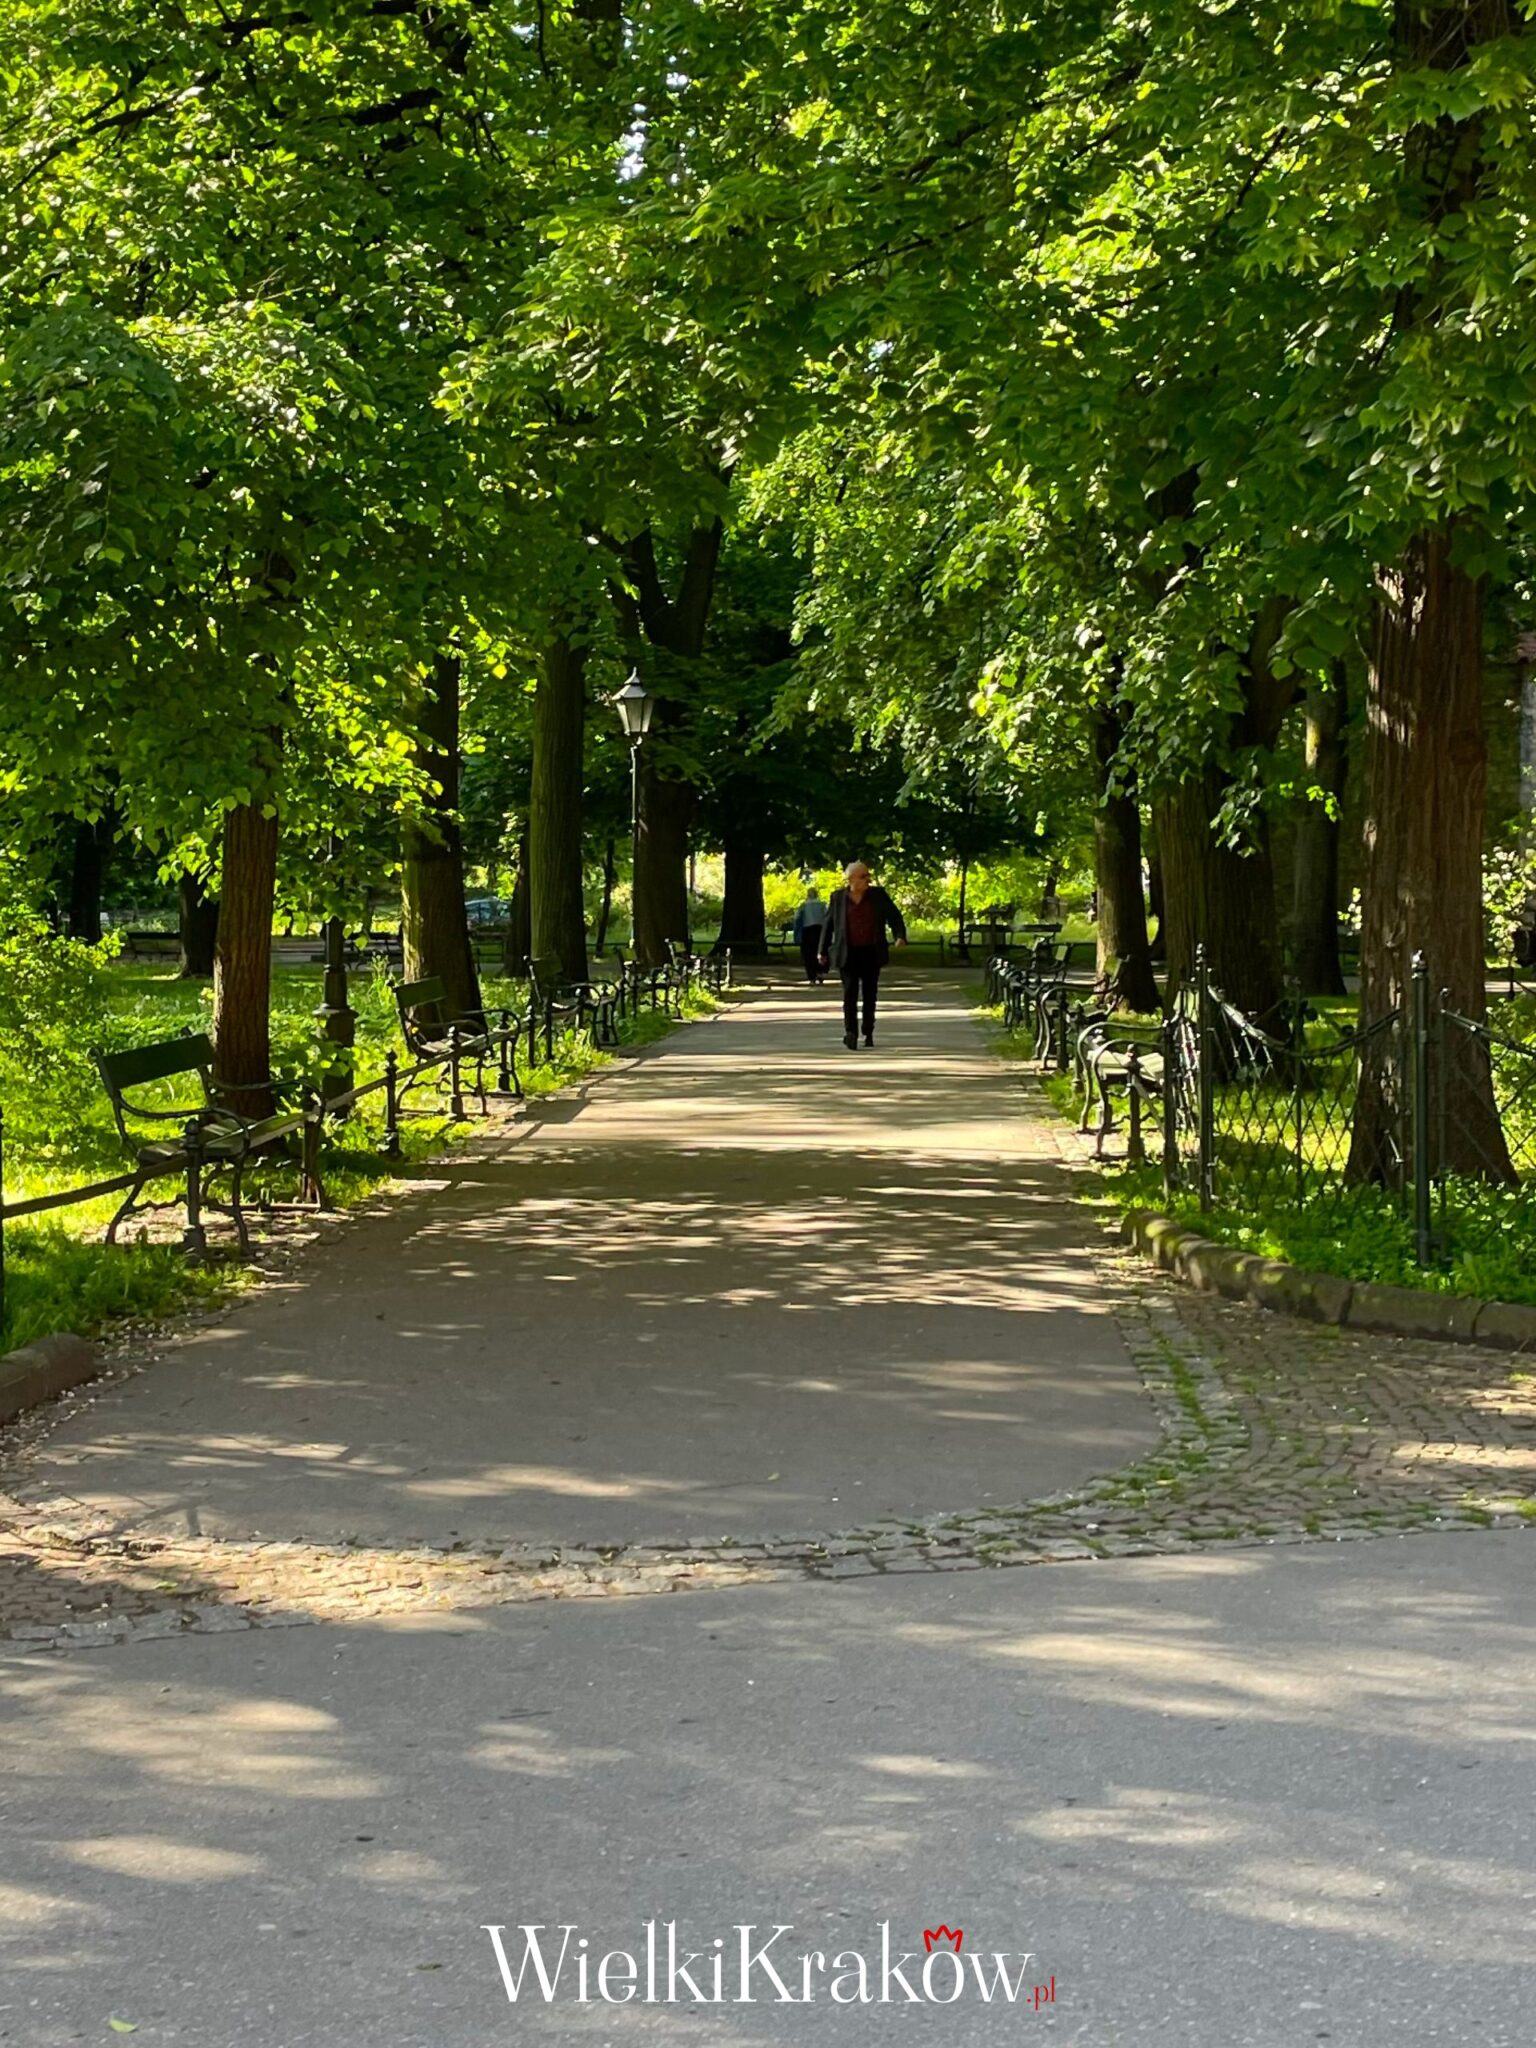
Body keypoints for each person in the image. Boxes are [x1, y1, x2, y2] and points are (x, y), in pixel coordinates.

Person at [818, 861, 907, 1048]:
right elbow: (828, 924)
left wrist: (899, 936)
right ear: (851, 879)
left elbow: (894, 916)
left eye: (868, 875)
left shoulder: (878, 896)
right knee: (849, 994)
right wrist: (822, 950)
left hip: (871, 951)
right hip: (847, 953)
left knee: (869, 994)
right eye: (864, 876)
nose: (868, 879)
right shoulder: (838, 898)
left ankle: (868, 1030)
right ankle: (850, 1032)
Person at [792, 885, 829, 984]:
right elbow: (827, 916)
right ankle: (820, 971)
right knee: (820, 951)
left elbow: (796, 918)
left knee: (808, 954)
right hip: (820, 930)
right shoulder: (822, 904)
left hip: (807, 931)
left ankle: (812, 976)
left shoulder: (803, 905)